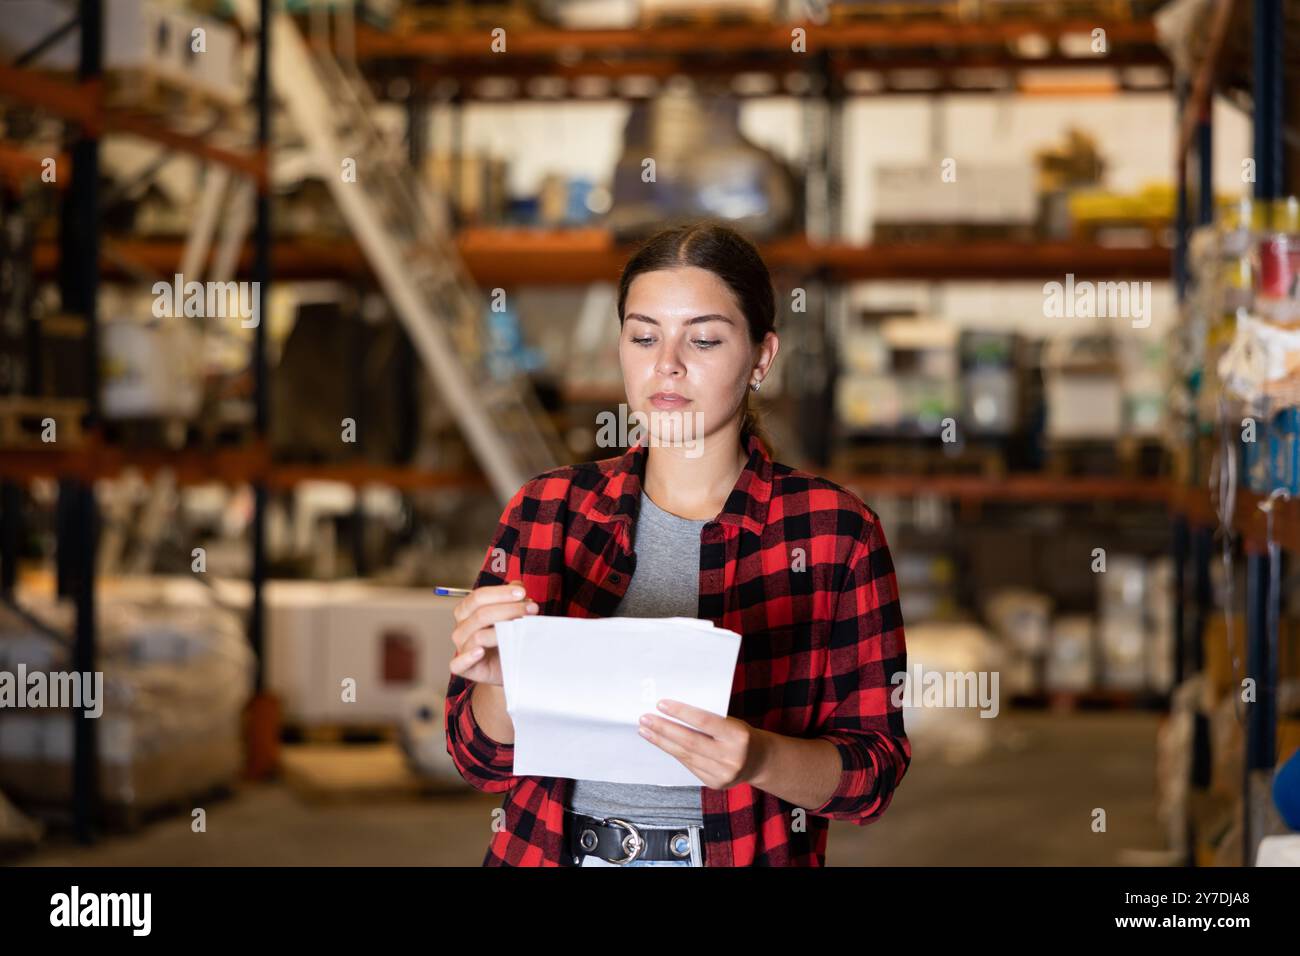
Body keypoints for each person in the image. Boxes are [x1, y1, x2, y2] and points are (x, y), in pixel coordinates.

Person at [445, 219, 910, 866]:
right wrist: (499, 682)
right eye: (643, 336)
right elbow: (478, 759)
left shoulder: (834, 533)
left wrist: (759, 756)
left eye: (705, 339)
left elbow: (872, 778)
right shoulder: (547, 511)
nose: (666, 364)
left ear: (762, 357)